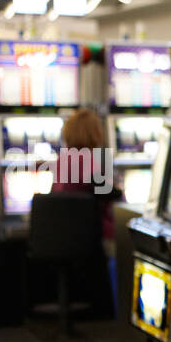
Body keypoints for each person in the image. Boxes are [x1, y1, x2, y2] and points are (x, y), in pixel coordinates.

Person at [51, 109, 120, 312]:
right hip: (89, 237)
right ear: (94, 133)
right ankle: (121, 313)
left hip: (60, 234)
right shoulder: (91, 159)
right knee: (130, 244)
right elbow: (110, 193)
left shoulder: (62, 159)